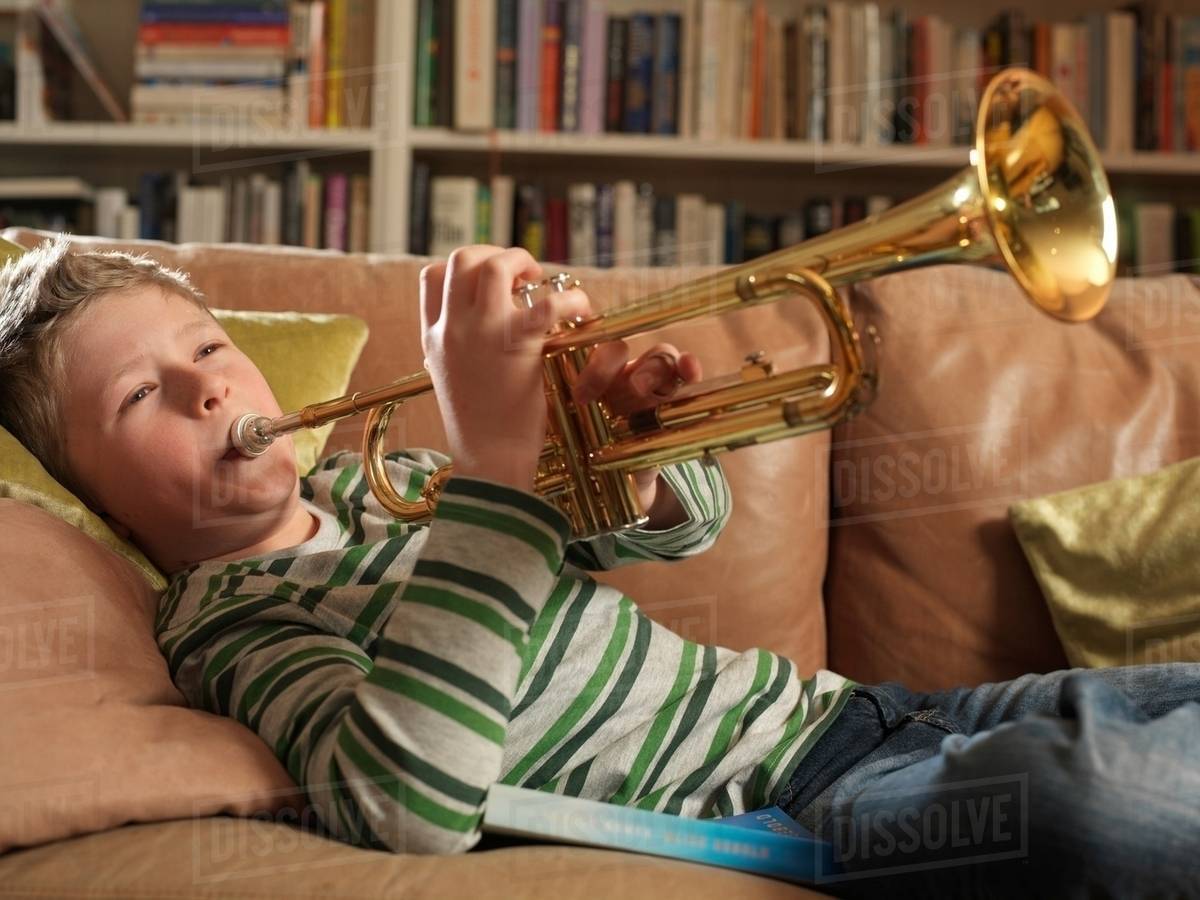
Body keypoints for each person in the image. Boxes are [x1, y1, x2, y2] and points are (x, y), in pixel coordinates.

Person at [0, 234, 1197, 899]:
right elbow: (405, 802)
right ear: (92, 494)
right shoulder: (233, 626)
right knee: (1100, 804)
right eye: (141, 395)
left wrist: (632, 446)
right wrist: (500, 475)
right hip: (791, 802)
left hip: (870, 714)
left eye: (207, 347)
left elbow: (676, 532)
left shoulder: (377, 489)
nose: (209, 384)